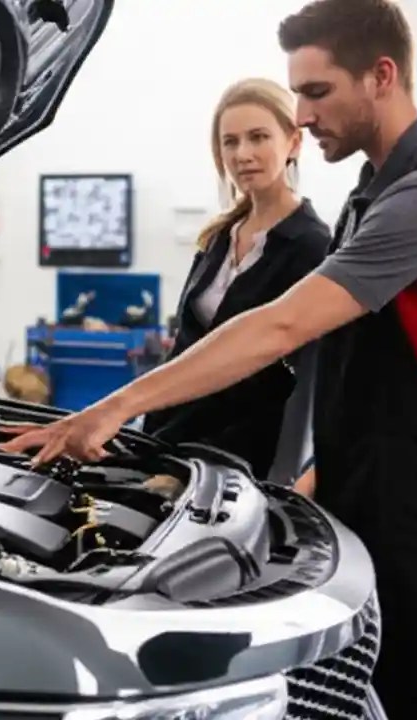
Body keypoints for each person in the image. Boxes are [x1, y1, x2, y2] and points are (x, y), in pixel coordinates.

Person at [0, 1, 417, 718]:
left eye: (317, 92)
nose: (301, 113)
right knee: (358, 682)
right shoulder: (375, 196)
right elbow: (347, 368)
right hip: (370, 477)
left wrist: (112, 408)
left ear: (382, 76)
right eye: (296, 93)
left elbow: (280, 328)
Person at [141, 77, 329, 484]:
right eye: (230, 142)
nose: (243, 154)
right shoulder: (218, 238)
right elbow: (185, 348)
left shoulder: (312, 247)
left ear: (293, 143)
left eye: (258, 137)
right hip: (168, 440)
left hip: (236, 462)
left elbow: (279, 387)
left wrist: (207, 467)